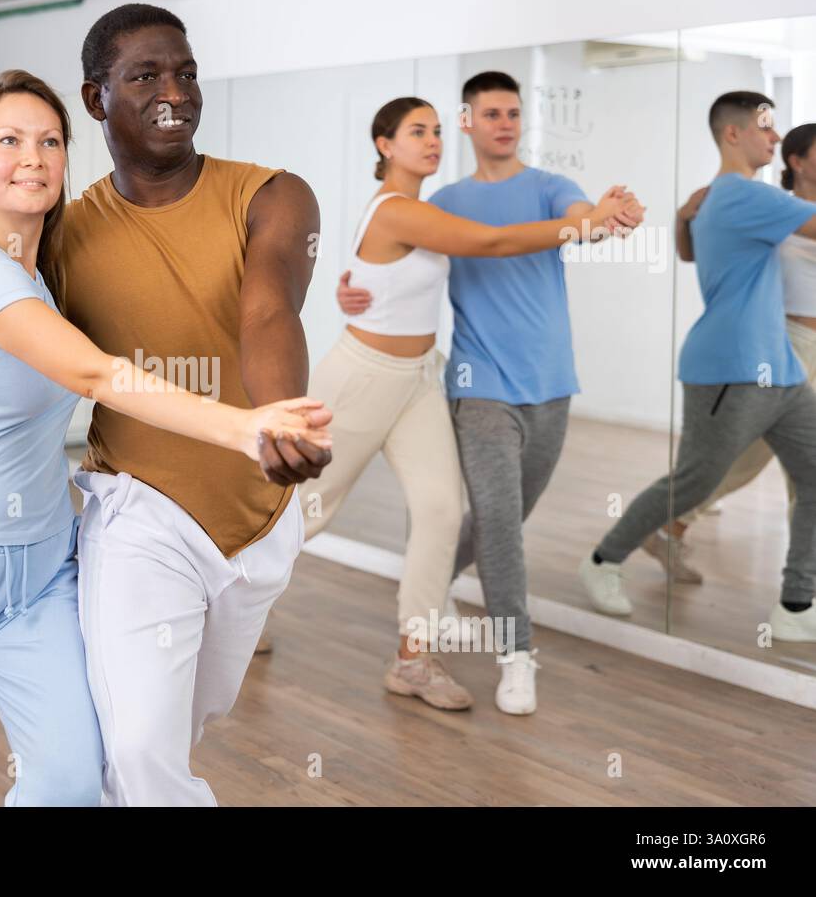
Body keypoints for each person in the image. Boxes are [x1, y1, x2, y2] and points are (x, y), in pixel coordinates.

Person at [0, 70, 330, 806]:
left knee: (71, 781)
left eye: (49, 141)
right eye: (10, 140)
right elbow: (96, 375)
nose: (33, 156)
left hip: (41, 571)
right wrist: (245, 425)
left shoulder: (50, 274)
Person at [295, 97, 635, 711]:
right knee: (304, 509)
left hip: (422, 378)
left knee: (441, 512)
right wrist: (586, 224)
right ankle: (215, 602)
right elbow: (493, 241)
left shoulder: (425, 208)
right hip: (364, 377)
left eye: (434, 131)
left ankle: (412, 660)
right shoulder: (399, 210)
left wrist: (350, 287)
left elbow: (376, 277)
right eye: (415, 132)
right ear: (384, 145)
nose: (431, 141)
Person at [579, 93, 816, 644]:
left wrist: (684, 216)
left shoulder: (720, 199)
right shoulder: (741, 195)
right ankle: (602, 560)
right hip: (729, 367)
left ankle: (797, 604)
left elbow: (688, 252)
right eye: (765, 128)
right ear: (733, 135)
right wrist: (685, 215)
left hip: (778, 369)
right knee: (693, 481)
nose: (775, 139)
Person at [637, 123, 816, 586]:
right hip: (786, 344)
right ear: (797, 161)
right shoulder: (764, 206)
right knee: (743, 460)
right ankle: (666, 524)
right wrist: (682, 217)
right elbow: (694, 254)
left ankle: (802, 581)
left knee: (804, 469)